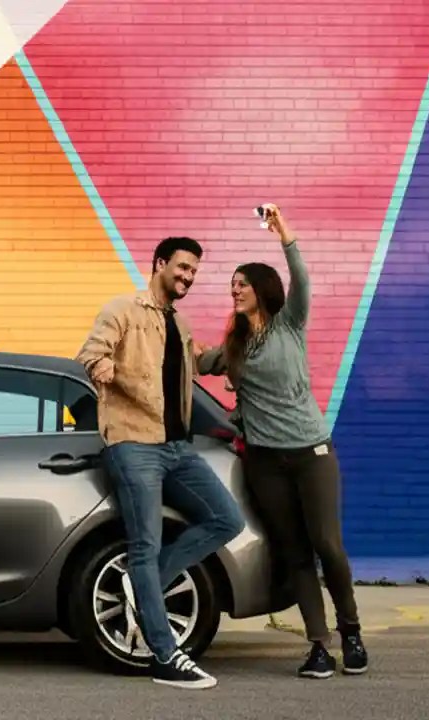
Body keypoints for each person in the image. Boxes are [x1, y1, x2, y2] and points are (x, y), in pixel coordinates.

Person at [195, 204, 369, 679]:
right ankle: (319, 646)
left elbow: (302, 279)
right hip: (265, 463)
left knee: (327, 545)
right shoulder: (234, 348)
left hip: (312, 454)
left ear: (262, 289)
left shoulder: (290, 324)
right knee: (294, 553)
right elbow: (198, 361)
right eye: (232, 284)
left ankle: (351, 631)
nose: (235, 289)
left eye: (242, 283)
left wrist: (284, 233)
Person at [75, 236, 246, 690]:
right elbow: (91, 355)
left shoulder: (179, 324)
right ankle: (165, 656)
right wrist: (110, 372)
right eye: (183, 267)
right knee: (145, 544)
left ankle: (144, 581)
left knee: (226, 519)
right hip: (133, 444)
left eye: (194, 272)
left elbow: (200, 363)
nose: (188, 277)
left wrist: (246, 337)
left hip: (176, 448)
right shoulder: (123, 310)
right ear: (160, 264)